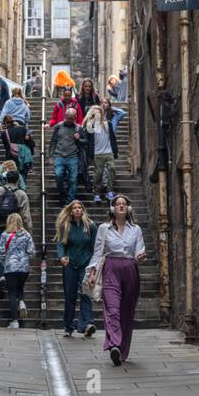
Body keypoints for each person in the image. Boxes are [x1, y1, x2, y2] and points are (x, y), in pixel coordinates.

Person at [87, 195, 146, 365]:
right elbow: (98, 251)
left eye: (124, 204)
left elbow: (139, 251)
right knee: (112, 308)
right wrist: (92, 272)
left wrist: (140, 257)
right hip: (110, 268)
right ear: (112, 209)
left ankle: (123, 349)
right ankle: (114, 345)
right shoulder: (104, 228)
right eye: (117, 204)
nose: (121, 206)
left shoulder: (136, 229)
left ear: (128, 209)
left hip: (130, 269)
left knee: (126, 311)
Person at [55, 200, 97, 338]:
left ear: (83, 210)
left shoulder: (90, 226)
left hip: (86, 264)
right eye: (75, 208)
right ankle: (68, 326)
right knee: (70, 296)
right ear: (71, 211)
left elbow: (95, 247)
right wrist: (61, 257)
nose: (78, 210)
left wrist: (93, 266)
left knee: (86, 294)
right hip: (70, 265)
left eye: (80, 208)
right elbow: (61, 244)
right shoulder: (66, 226)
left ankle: (87, 324)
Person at [0, 168, 31, 296]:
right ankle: (13, 279)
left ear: (6, 179)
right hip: (17, 229)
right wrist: (28, 229)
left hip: (2, 227)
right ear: (18, 180)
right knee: (15, 254)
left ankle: (1, 275)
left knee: (1, 253)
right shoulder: (22, 194)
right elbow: (26, 214)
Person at [0, 214, 35, 328]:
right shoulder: (27, 235)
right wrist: (24, 259)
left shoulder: (5, 235)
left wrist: (6, 261)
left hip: (10, 267)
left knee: (12, 293)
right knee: (20, 288)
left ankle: (14, 321)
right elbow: (32, 252)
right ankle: (22, 302)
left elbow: (1, 252)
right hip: (24, 268)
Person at [49, 103, 82, 204]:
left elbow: (86, 143)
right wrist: (51, 155)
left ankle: (70, 200)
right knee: (58, 175)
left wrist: (79, 139)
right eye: (69, 118)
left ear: (75, 117)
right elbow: (53, 141)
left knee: (73, 179)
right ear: (65, 116)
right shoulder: (58, 127)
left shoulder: (78, 128)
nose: (70, 120)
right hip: (59, 155)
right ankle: (62, 194)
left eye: (72, 118)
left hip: (73, 156)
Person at [85, 105, 115, 204]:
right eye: (96, 112)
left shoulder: (108, 124)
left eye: (99, 112)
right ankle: (97, 193)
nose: (98, 114)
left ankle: (109, 191)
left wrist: (115, 151)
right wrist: (92, 119)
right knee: (99, 173)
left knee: (111, 169)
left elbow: (113, 138)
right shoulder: (91, 125)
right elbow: (88, 135)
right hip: (97, 153)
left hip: (108, 152)